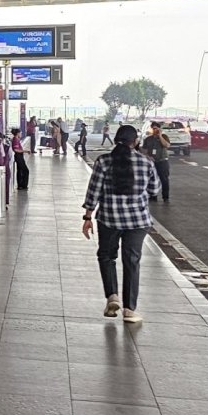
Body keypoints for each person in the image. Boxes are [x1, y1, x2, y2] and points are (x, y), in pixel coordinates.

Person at [82, 124, 158, 322]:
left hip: (109, 219)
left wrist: (88, 217)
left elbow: (94, 191)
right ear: (136, 141)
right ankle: (130, 310)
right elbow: (154, 190)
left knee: (107, 256)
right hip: (138, 221)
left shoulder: (104, 161)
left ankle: (112, 296)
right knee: (132, 262)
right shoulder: (146, 162)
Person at [141, 121, 171, 204]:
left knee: (164, 180)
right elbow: (144, 150)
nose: (155, 130)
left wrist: (160, 136)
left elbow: (167, 146)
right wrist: (148, 156)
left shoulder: (164, 137)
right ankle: (153, 196)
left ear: (159, 129)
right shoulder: (148, 139)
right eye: (153, 129)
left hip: (162, 161)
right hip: (152, 162)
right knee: (151, 179)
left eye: (156, 129)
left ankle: (166, 197)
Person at [11, 125, 30, 192]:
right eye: (20, 133)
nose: (21, 134)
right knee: (25, 171)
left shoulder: (16, 139)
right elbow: (16, 149)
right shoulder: (15, 140)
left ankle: (20, 185)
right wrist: (25, 151)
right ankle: (23, 185)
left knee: (20, 171)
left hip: (20, 156)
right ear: (17, 133)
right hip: (18, 157)